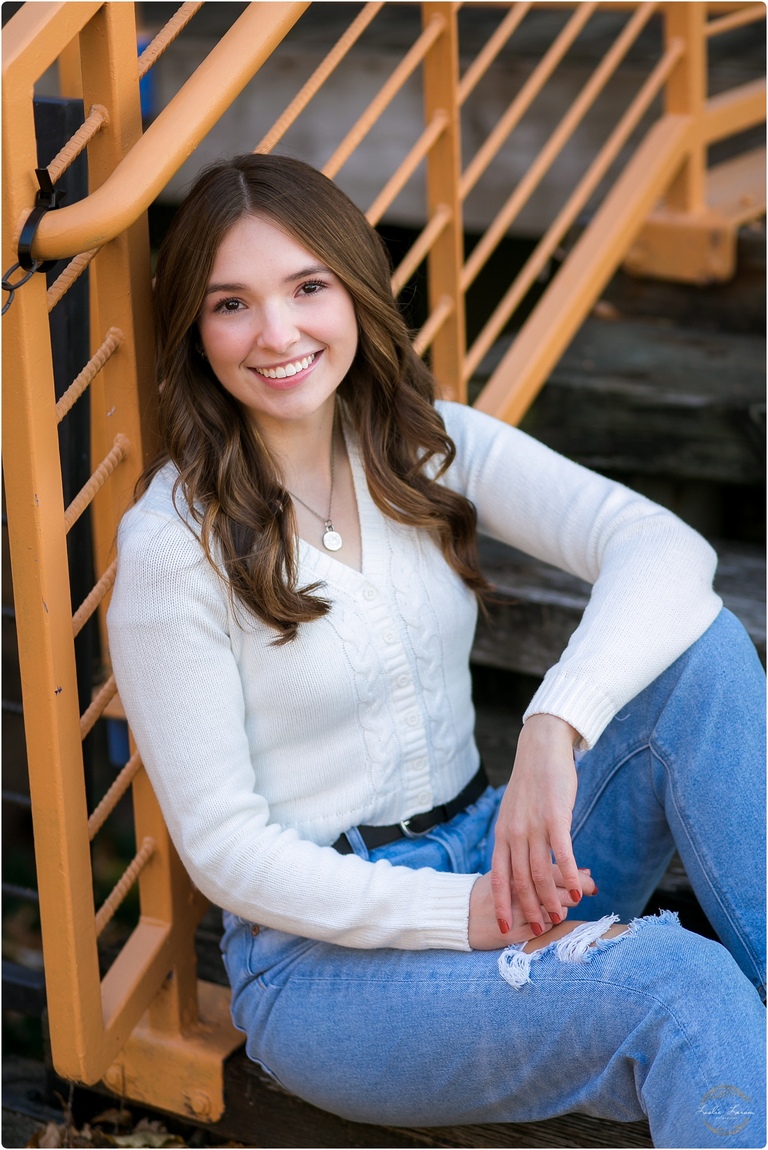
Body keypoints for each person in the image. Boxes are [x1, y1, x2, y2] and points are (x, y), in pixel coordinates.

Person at [108, 153, 765, 1148]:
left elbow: (666, 549)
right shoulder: (172, 547)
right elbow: (226, 854)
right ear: (195, 334)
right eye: (231, 304)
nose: (277, 333)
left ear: (357, 292)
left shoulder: (424, 446)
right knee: (679, 983)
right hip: (326, 967)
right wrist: (464, 912)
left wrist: (556, 720)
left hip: (503, 847)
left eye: (307, 288)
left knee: (700, 653)